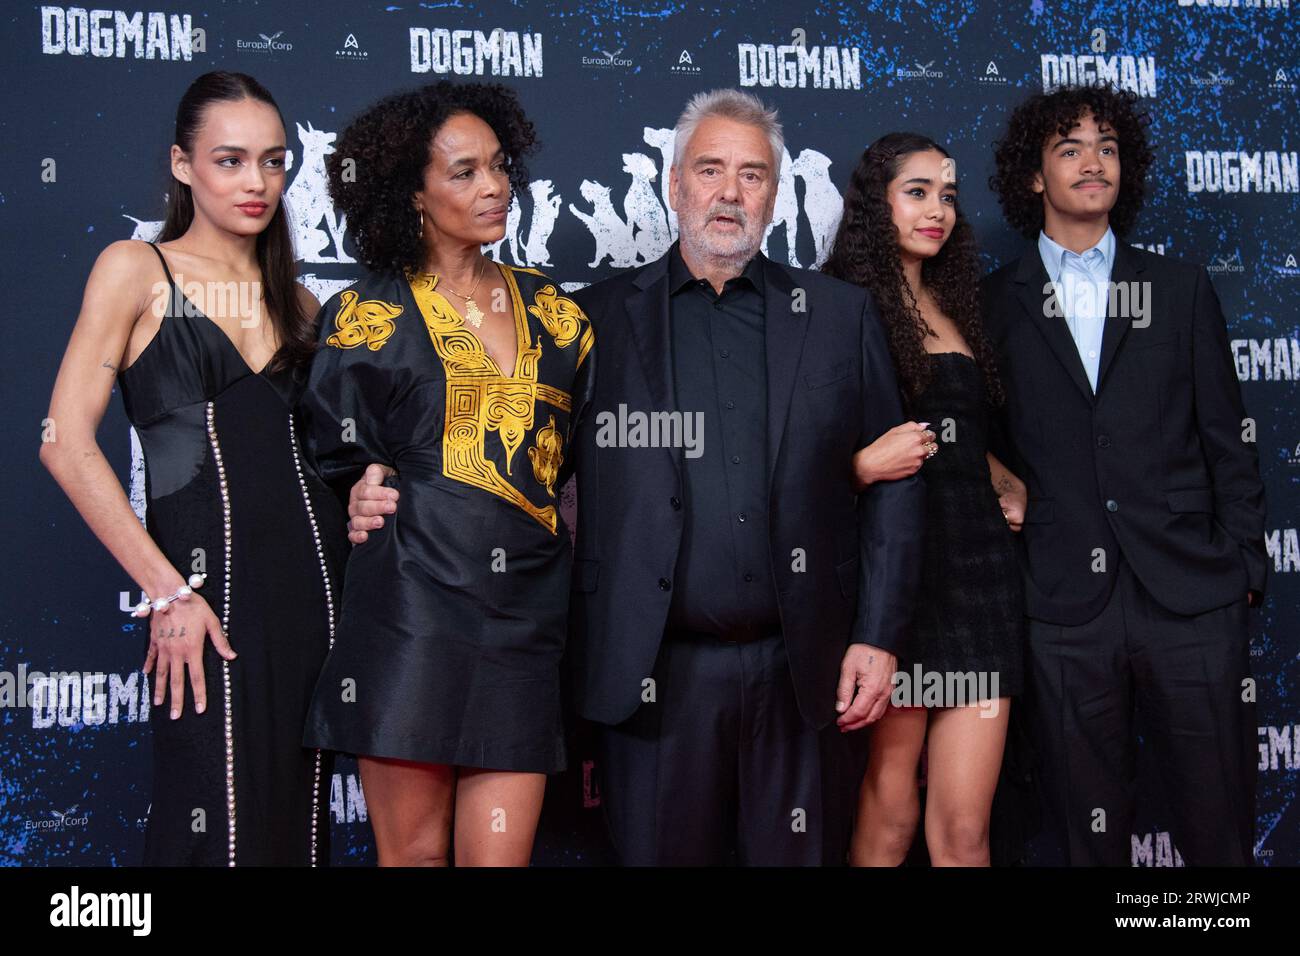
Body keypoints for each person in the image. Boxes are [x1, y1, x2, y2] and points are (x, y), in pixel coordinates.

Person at [353, 87, 924, 866]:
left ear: (777, 191)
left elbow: (897, 482)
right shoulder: (584, 322)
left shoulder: (836, 317)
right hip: (650, 681)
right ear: (673, 183)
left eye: (752, 174)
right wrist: (375, 476)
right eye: (711, 169)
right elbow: (503, 448)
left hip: (802, 674)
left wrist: (878, 637)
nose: (730, 193)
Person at [40, 71, 344, 866]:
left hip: (318, 602)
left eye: (274, 162)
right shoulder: (136, 269)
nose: (258, 183)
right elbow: (63, 441)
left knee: (298, 833)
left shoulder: (304, 306)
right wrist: (168, 590)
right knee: (212, 829)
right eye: (231, 161)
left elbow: (325, 463)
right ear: (182, 165)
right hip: (204, 602)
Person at [298, 81, 594, 867]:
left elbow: (585, 465)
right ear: (413, 195)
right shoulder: (367, 316)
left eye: (499, 166)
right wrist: (356, 485)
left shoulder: (560, 314)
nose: (494, 186)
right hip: (410, 618)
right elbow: (331, 462)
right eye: (463, 173)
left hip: (526, 619)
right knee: (415, 858)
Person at [984, 83, 1267, 865]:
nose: (1092, 162)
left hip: (1192, 598)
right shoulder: (991, 305)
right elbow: (972, 436)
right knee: (1085, 834)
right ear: (1034, 177)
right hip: (1063, 604)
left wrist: (1243, 566)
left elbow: (1229, 443)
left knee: (1219, 832)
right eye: (1069, 148)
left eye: (1106, 147)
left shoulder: (1181, 289)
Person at [821, 133, 1027, 866]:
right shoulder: (836, 309)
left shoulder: (958, 304)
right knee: (890, 806)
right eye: (917, 192)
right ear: (877, 204)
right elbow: (791, 464)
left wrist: (1010, 486)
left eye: (947, 195)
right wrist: (857, 468)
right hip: (898, 583)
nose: (937, 209)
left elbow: (965, 437)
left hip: (981, 580)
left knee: (965, 830)